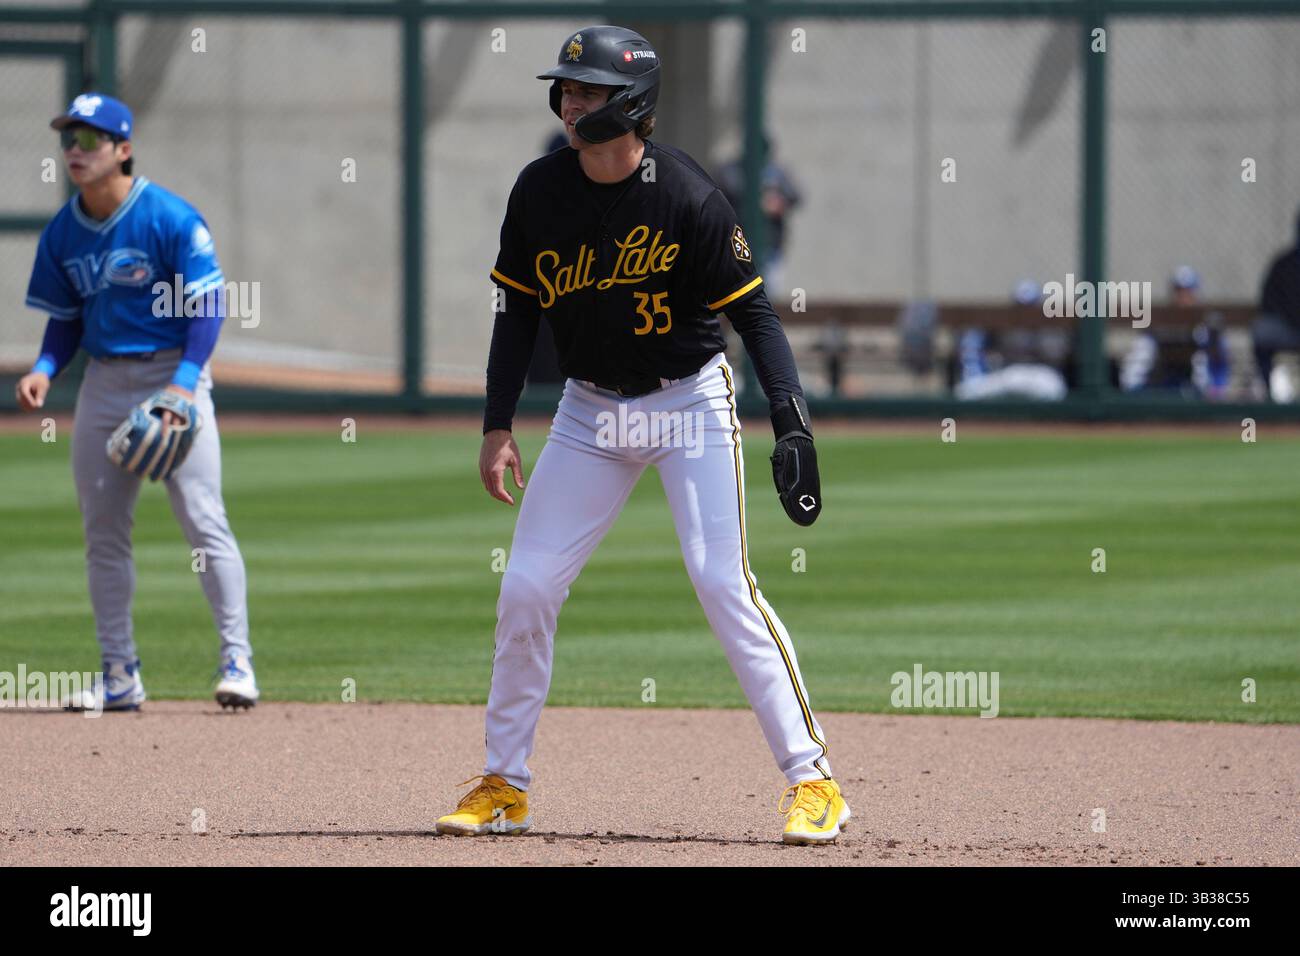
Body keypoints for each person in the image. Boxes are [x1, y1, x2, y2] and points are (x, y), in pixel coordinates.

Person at [435, 26, 847, 845]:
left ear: (629, 106)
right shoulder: (539, 190)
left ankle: (814, 780)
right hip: (588, 413)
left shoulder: (686, 196)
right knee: (524, 588)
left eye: (585, 89)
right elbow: (516, 312)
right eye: (565, 87)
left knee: (719, 580)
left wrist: (792, 420)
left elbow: (755, 315)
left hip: (689, 403)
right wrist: (496, 423)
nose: (569, 100)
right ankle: (503, 784)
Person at [14, 93, 258, 711]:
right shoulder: (64, 231)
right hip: (102, 382)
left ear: (123, 148)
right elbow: (66, 318)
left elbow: (206, 306)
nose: (75, 148)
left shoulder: (170, 218)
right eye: (69, 137)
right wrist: (45, 367)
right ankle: (119, 673)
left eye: (90, 138)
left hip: (173, 374)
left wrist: (183, 385)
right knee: (102, 534)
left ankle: (238, 661)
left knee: (204, 520)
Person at [1120, 266, 1230, 399]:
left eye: (1188, 292)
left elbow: (1219, 365)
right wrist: (1133, 391)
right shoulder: (1159, 327)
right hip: (1163, 390)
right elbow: (1135, 367)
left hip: (1199, 393)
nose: (1183, 298)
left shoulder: (1205, 329)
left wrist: (1215, 391)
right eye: (1179, 291)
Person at [715, 134, 802, 296]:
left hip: (770, 243)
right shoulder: (730, 171)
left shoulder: (775, 171)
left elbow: (796, 196)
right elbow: (718, 200)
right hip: (735, 243)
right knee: (736, 294)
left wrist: (778, 203)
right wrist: (752, 202)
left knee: (770, 293)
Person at [1251, 209, 1300, 401]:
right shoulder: (1284, 263)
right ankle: (1270, 388)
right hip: (1288, 328)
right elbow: (1268, 302)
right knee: (1262, 330)